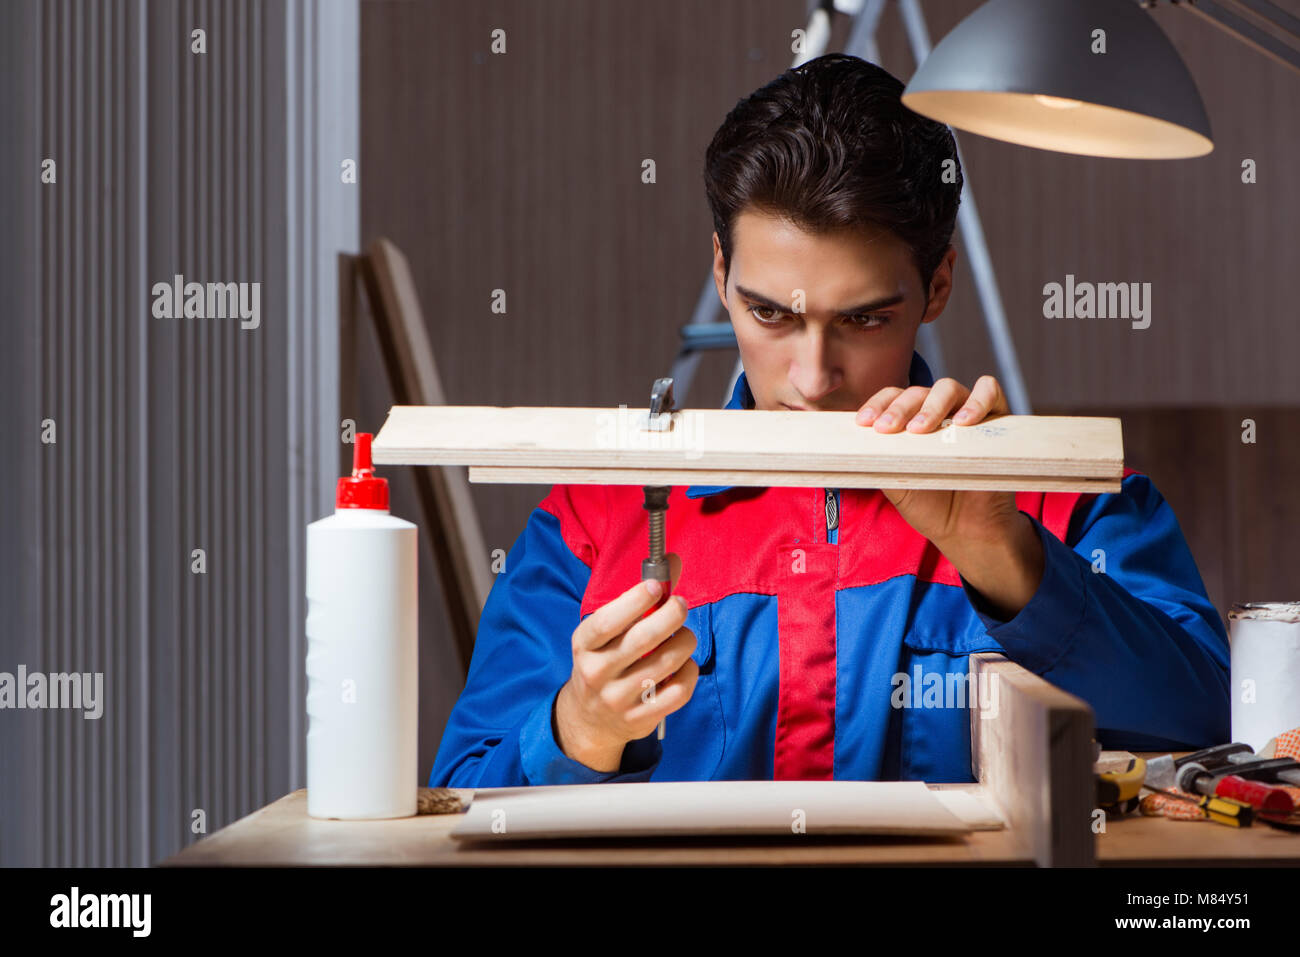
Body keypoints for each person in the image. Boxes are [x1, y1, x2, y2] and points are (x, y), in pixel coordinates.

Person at [429, 53, 1230, 787]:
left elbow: (1212, 724)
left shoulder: (1071, 503)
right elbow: (462, 800)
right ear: (721, 271)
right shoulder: (594, 521)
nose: (812, 380)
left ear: (938, 283)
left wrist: (1012, 561)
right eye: (769, 313)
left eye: (865, 320)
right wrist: (581, 726)